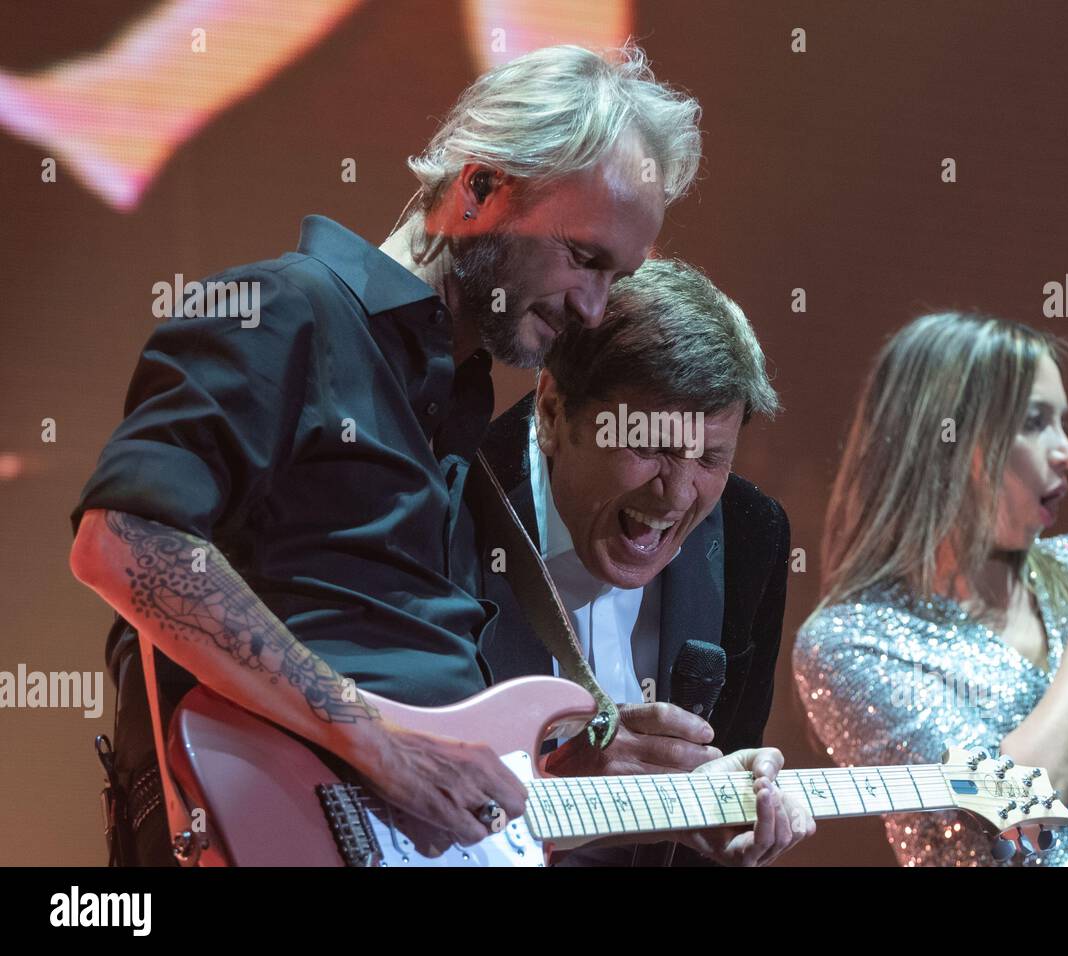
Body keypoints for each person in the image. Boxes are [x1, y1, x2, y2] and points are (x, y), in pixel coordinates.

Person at [68, 43, 793, 867]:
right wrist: (379, 745)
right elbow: (124, 540)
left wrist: (566, 773)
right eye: (584, 259)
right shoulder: (283, 312)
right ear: (479, 188)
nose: (595, 310)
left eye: (616, 276)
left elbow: (425, 727)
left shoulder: (455, 411)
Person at [793, 312, 1068, 866]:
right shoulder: (851, 642)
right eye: (1034, 422)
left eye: (1063, 421)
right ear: (946, 442)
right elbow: (1018, 809)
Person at [478, 258, 809, 865]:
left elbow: (718, 790)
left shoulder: (752, 534)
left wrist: (735, 820)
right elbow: (376, 798)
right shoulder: (442, 506)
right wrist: (551, 781)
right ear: (553, 411)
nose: (679, 496)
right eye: (649, 446)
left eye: (710, 458)